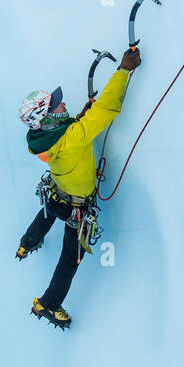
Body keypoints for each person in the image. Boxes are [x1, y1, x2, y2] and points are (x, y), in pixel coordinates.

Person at [16, 46, 141, 329]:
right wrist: (123, 70)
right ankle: (48, 304)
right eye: (56, 106)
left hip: (59, 191)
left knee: (48, 212)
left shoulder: (42, 140)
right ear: (47, 119)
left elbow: (70, 131)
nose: (62, 104)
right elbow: (107, 108)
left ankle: (27, 243)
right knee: (70, 259)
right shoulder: (72, 138)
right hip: (77, 205)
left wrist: (76, 120)